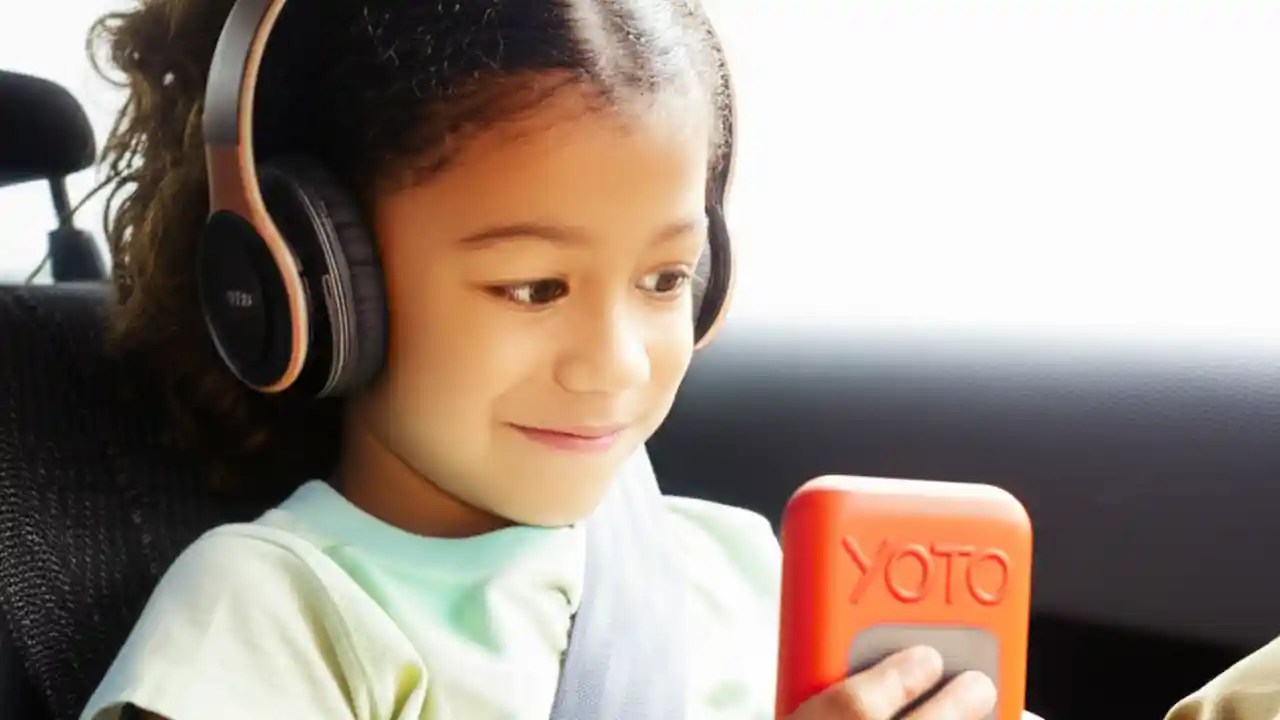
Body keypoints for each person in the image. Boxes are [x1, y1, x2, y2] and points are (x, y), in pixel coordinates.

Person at [77, 1, 1027, 718]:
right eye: (534, 289)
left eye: (665, 280)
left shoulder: (740, 571)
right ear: (312, 280)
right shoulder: (273, 614)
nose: (614, 365)